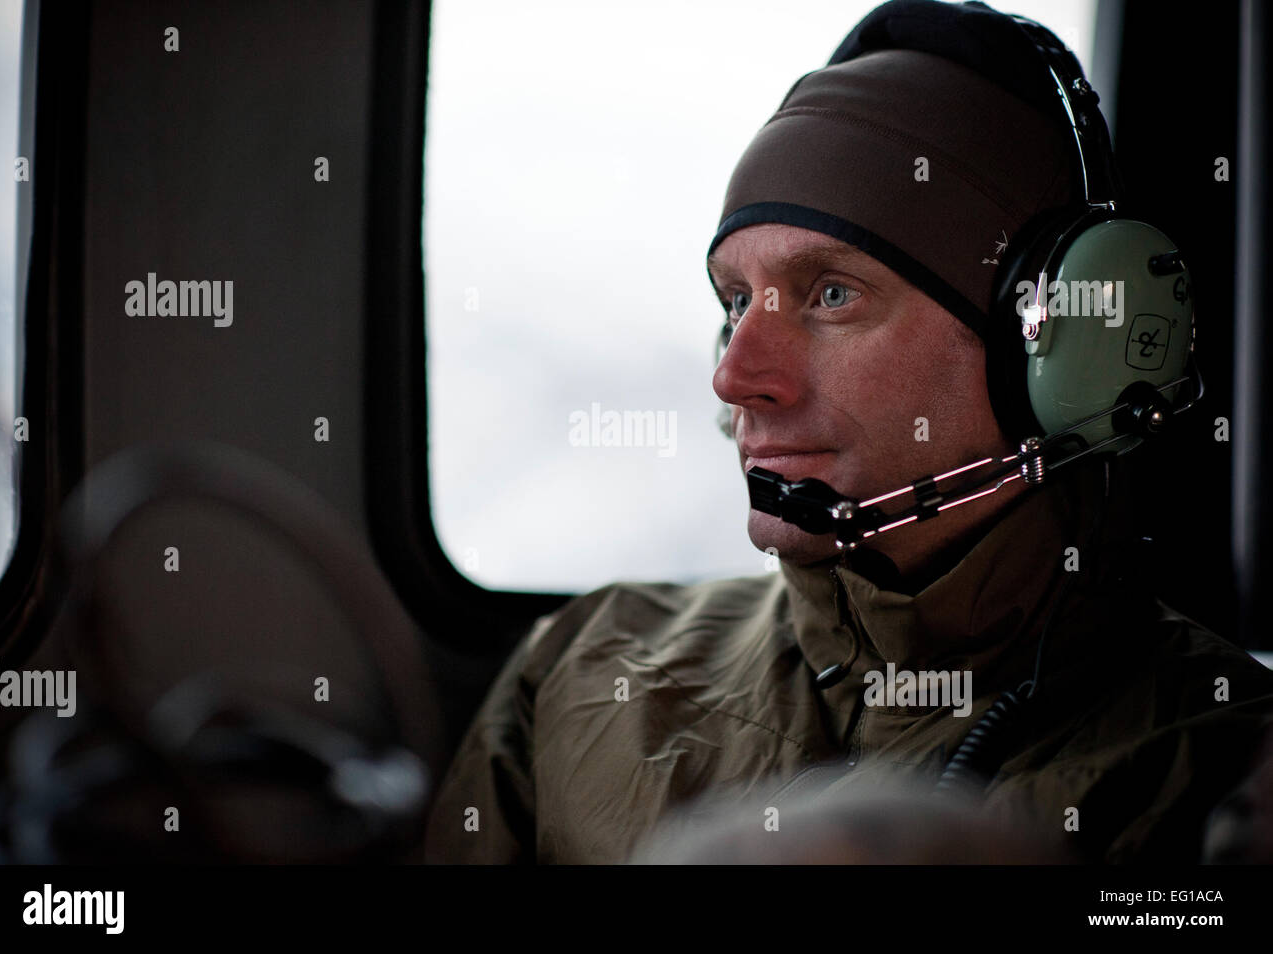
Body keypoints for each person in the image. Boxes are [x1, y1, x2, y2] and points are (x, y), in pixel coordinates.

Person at [422, 0, 1273, 864]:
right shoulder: (583, 673)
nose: (736, 374)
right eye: (736, 302)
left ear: (1056, 350)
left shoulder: (1220, 771)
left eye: (832, 293)